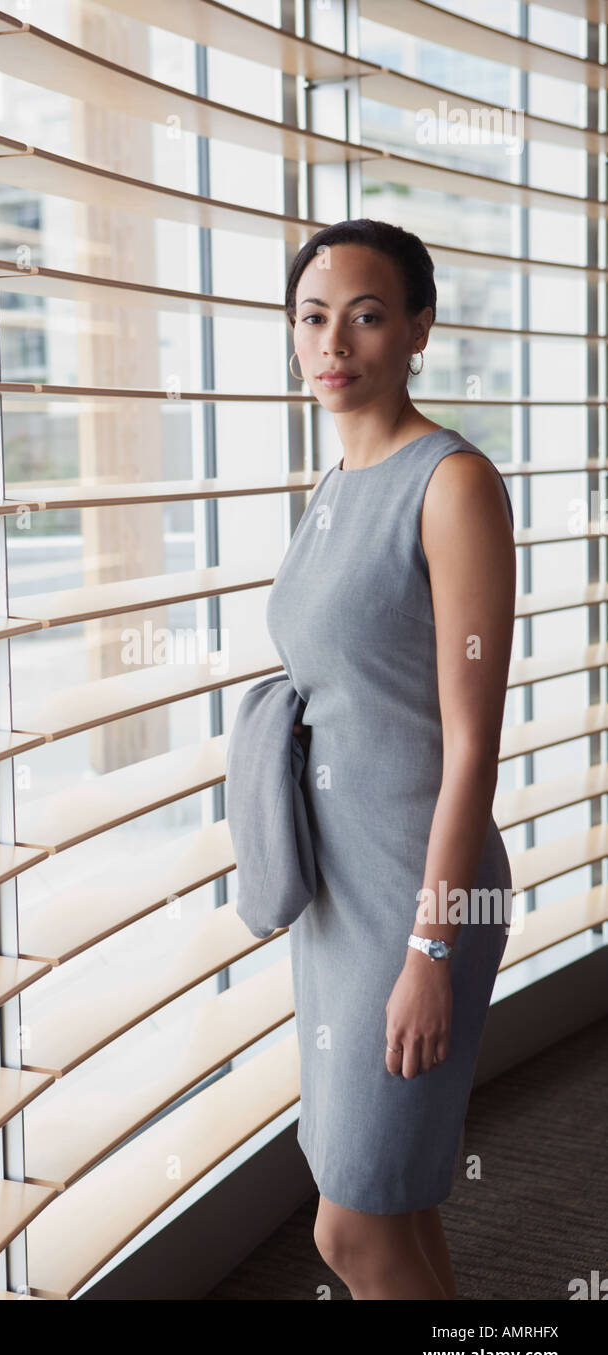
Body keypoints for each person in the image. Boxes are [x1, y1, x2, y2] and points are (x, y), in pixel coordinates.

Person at [265, 218, 516, 1300]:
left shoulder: (450, 484)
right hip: (340, 895)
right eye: (312, 319)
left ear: (417, 328)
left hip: (421, 898)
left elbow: (471, 748)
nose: (335, 343)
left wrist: (428, 946)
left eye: (365, 316)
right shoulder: (329, 486)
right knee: (393, 1206)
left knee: (347, 1232)